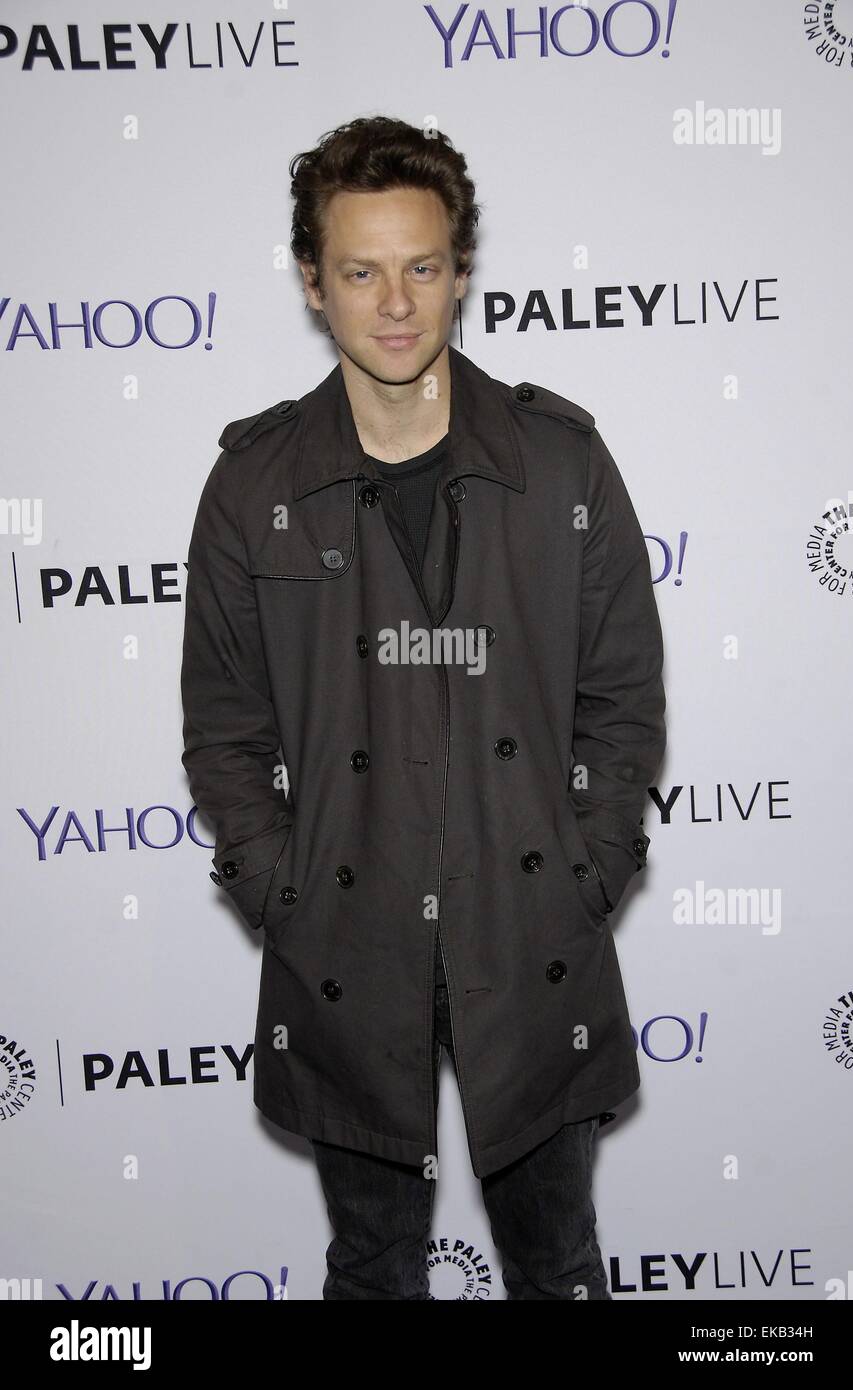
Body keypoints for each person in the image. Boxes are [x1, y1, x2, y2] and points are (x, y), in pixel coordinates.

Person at [180, 114, 667, 1300]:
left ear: (458, 272)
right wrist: (283, 893)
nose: (394, 303)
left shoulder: (559, 464)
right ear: (312, 282)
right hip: (346, 945)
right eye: (359, 270)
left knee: (555, 1265)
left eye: (422, 266)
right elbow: (225, 725)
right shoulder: (255, 486)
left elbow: (621, 698)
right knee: (376, 1269)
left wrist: (583, 871)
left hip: (529, 936)